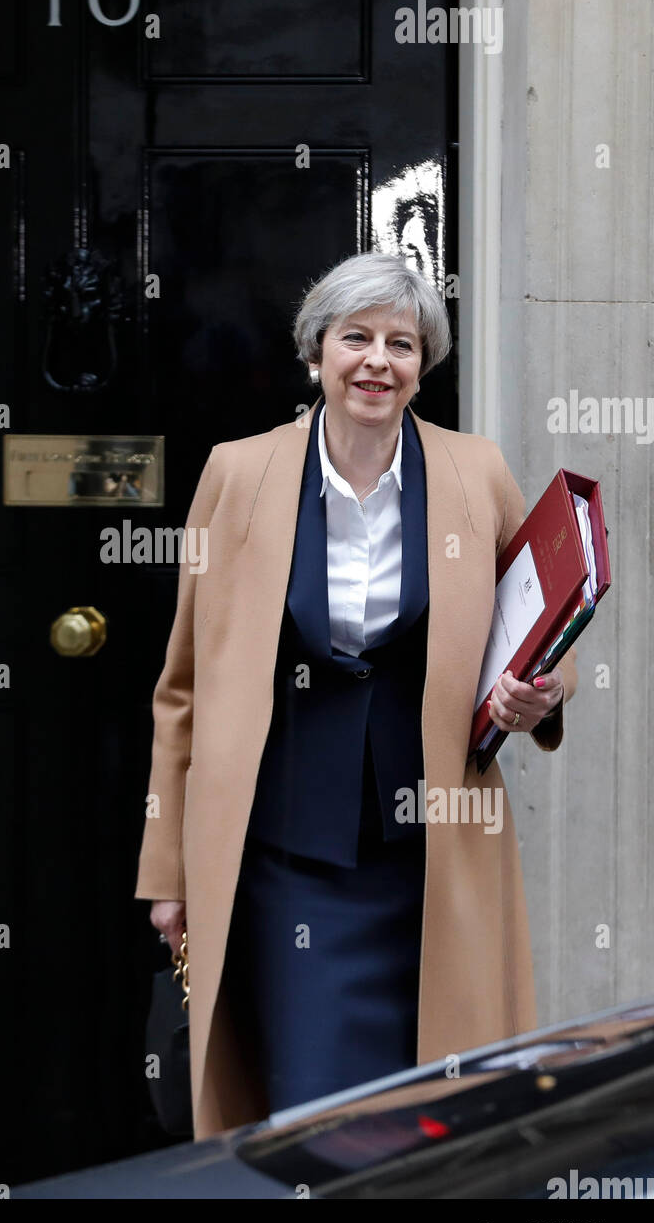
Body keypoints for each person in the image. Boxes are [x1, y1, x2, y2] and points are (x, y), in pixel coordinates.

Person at [134, 251, 578, 1141]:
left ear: (424, 364)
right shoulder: (238, 473)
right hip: (291, 853)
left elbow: (540, 637)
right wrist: (167, 874)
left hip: (436, 847)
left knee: (440, 1110)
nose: (379, 360)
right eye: (357, 338)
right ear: (317, 354)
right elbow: (180, 688)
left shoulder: (475, 472)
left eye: (402, 344)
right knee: (317, 1109)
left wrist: (541, 695)